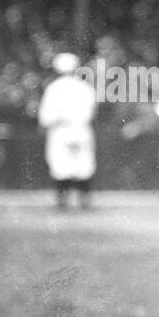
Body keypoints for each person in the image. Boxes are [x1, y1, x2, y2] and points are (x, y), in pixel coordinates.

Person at [38, 53, 97, 208]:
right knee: (83, 164)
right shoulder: (86, 87)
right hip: (81, 129)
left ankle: (62, 199)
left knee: (60, 164)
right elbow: (91, 112)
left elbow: (46, 116)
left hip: (61, 130)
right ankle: (84, 198)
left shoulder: (53, 88)